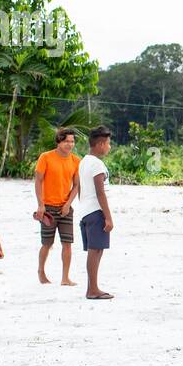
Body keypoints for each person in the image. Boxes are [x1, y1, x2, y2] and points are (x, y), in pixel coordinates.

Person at [32, 128, 81, 285]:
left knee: (67, 243)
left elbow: (77, 185)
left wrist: (68, 204)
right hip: (48, 208)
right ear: (59, 141)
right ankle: (41, 271)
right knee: (47, 243)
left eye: (72, 141)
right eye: (66, 141)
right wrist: (41, 205)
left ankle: (65, 278)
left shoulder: (76, 161)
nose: (70, 144)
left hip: (65, 208)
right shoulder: (46, 157)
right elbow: (38, 181)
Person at [73, 126, 114, 300]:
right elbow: (100, 192)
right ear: (100, 144)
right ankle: (92, 289)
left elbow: (81, 188)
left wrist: (83, 207)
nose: (109, 147)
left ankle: (93, 287)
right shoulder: (96, 163)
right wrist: (108, 217)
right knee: (95, 250)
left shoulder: (84, 161)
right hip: (95, 211)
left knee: (95, 250)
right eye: (108, 143)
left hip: (86, 210)